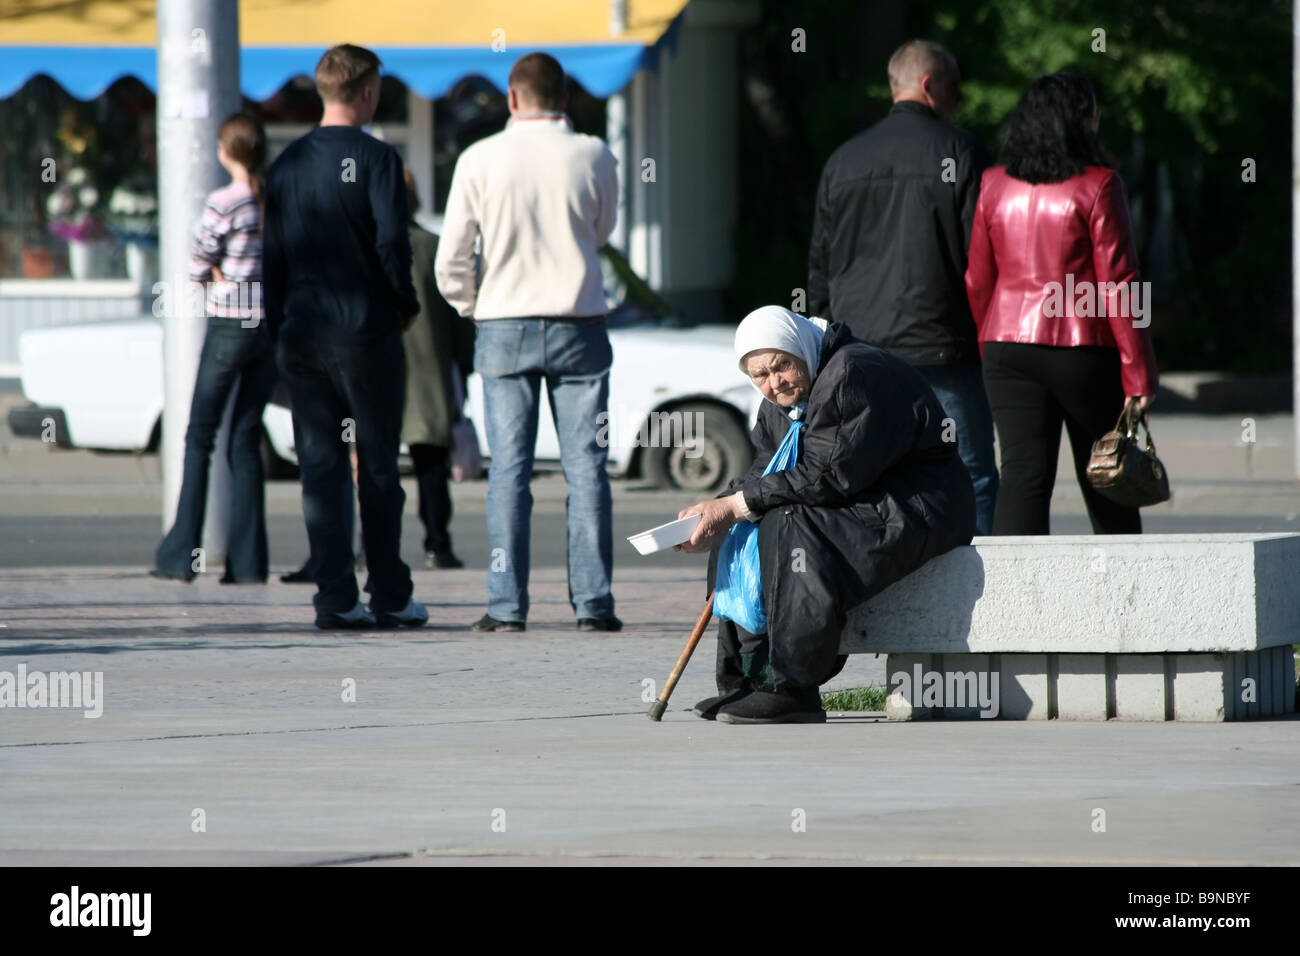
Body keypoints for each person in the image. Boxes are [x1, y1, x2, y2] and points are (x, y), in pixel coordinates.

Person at [675, 306, 976, 724]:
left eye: (782, 365)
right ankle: (748, 680)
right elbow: (765, 470)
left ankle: (792, 687)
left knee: (789, 525)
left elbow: (828, 474)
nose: (774, 381)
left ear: (799, 348)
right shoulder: (781, 399)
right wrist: (713, 513)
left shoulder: (851, 372)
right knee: (737, 526)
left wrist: (735, 504)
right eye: (759, 375)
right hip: (863, 498)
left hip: (921, 505)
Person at [435, 51, 620, 633]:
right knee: (586, 469)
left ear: (511, 99)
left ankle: (505, 605)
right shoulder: (594, 153)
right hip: (579, 323)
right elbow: (601, 231)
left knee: (508, 472)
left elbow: (452, 257)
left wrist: (475, 306)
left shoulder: (479, 158)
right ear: (564, 97)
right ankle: (593, 605)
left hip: (503, 323)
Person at [263, 44, 426, 629]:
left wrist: (277, 328)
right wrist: (404, 303)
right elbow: (392, 243)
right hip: (365, 335)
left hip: (302, 338)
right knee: (378, 468)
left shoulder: (284, 166)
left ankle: (334, 597)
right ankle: (388, 593)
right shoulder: (377, 160)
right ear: (365, 91)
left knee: (320, 467)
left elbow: (271, 259)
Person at [807, 39, 999, 536]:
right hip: (943, 349)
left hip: (860, 353)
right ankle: (975, 596)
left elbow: (820, 268)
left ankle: (885, 598)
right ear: (931, 86)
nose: (959, 101)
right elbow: (981, 260)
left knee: (870, 479)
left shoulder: (843, 160)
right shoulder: (961, 151)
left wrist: (829, 349)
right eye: (955, 89)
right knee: (972, 474)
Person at [964, 73, 1158, 535]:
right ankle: (1125, 597)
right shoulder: (1099, 185)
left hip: (1006, 346)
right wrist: (1138, 371)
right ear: (1082, 121)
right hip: (1080, 346)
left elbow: (976, 280)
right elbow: (1120, 283)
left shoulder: (993, 184)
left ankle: (1018, 604)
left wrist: (985, 346)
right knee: (1106, 471)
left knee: (1023, 478)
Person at [153, 113, 275, 584]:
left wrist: (216, 274)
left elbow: (197, 260)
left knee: (199, 435)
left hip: (229, 325)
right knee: (245, 438)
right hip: (267, 326)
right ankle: (248, 565)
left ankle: (181, 554)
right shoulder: (273, 200)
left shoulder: (224, 201)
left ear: (227, 151)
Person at [402, 167, 475, 570]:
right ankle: (437, 543)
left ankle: (366, 547)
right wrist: (463, 364)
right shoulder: (432, 247)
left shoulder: (365, 246)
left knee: (371, 468)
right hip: (429, 371)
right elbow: (457, 312)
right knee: (431, 465)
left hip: (378, 371)